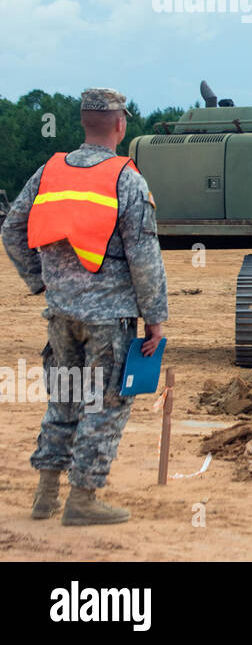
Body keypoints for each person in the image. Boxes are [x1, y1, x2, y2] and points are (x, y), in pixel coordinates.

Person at [1, 88, 168, 524]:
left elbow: (11, 229)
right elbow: (144, 257)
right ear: (120, 125)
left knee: (65, 400)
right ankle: (82, 500)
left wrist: (41, 282)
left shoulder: (49, 172)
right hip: (108, 320)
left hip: (61, 315)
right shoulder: (126, 179)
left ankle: (45, 496)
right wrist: (156, 319)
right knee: (105, 402)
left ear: (83, 122)